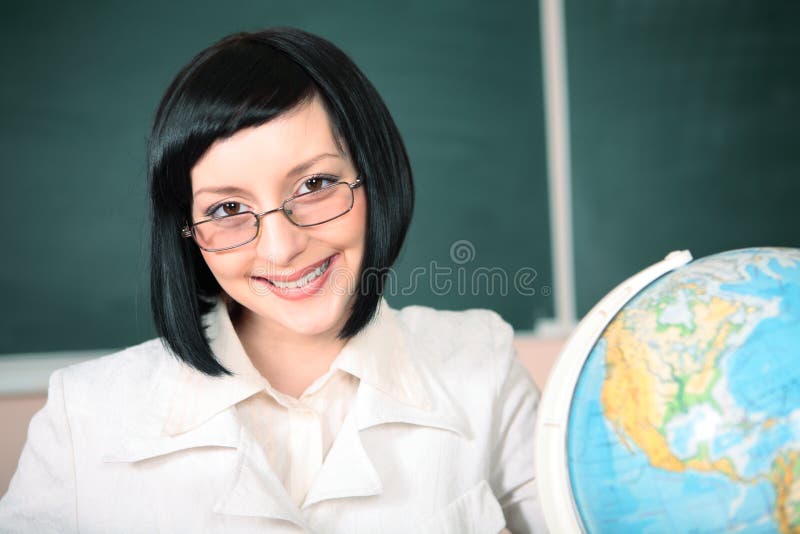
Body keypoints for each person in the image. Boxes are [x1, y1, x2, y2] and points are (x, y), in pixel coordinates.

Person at [0, 28, 546, 533]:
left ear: (375, 176)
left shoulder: (483, 364)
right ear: (186, 232)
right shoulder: (84, 416)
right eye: (228, 209)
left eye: (315, 184)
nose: (282, 248)